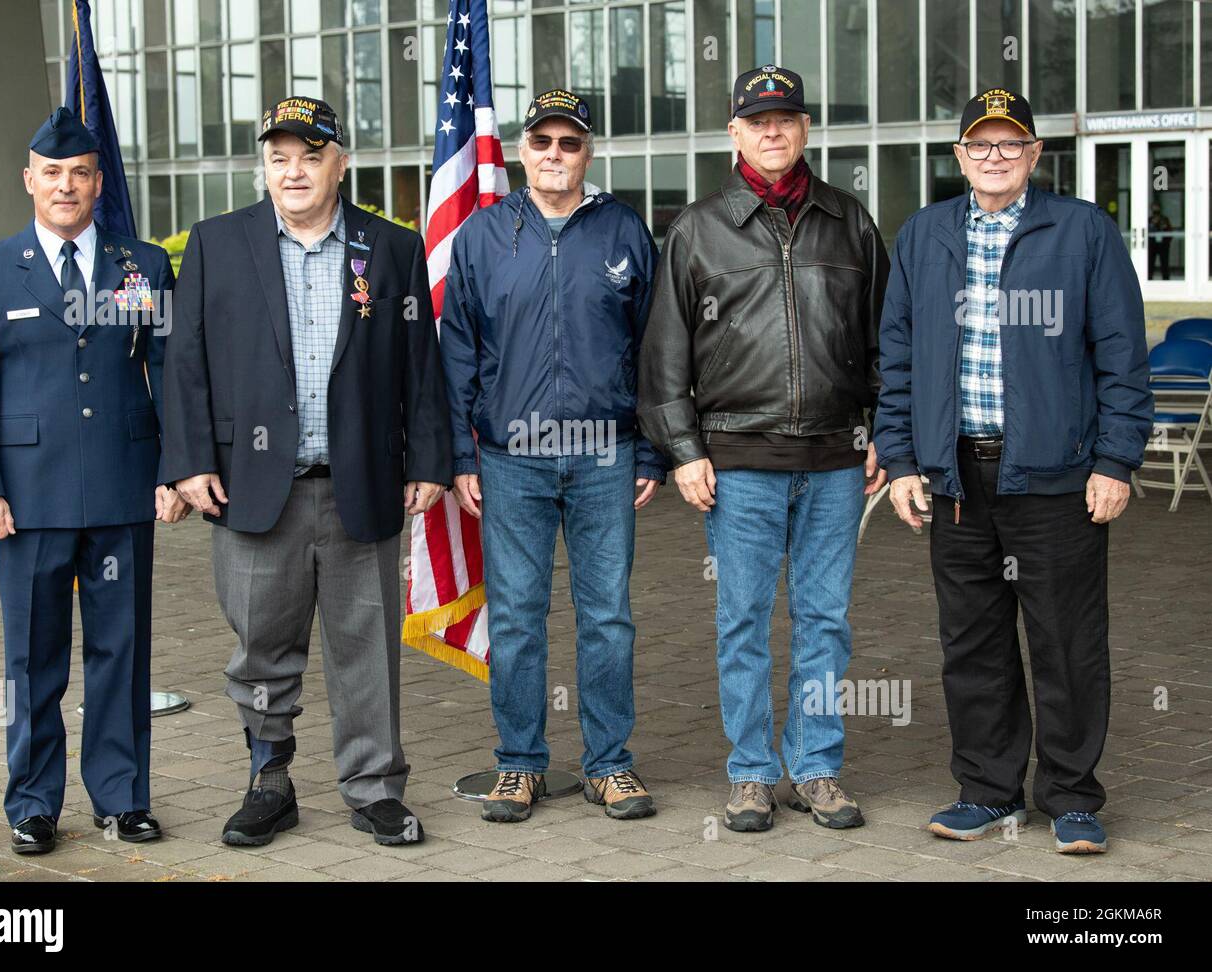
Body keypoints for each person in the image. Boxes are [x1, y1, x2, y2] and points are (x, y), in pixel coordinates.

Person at [161, 97, 452, 847]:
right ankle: (270, 779)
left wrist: (429, 460)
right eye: (279, 157)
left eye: (310, 155)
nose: (293, 171)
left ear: (340, 163)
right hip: (256, 489)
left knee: (368, 648)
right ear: (265, 165)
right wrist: (188, 463)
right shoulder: (218, 244)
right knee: (262, 648)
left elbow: (421, 368)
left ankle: (375, 787)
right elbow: (185, 363)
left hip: (363, 482)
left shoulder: (390, 249)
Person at [873, 88, 1154, 854]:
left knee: (1066, 641)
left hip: (1057, 479)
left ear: (1034, 154)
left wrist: (1116, 459)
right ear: (960, 155)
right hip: (959, 480)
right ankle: (989, 792)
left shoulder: (1082, 231)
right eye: (980, 145)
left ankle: (1071, 796)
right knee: (973, 644)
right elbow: (895, 359)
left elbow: (1123, 358)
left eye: (1010, 144)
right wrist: (900, 458)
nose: (994, 157)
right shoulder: (924, 234)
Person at [639, 67, 889, 834]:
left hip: (837, 462)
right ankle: (751, 774)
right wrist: (684, 450)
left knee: (826, 620)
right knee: (741, 618)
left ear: (804, 129)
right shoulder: (696, 229)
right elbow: (664, 357)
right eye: (758, 120)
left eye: (786, 118)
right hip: (737, 461)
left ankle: (815, 768)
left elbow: (888, 342)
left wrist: (884, 431)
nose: (773, 131)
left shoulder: (849, 222)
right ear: (735, 133)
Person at [0, 107, 184, 855]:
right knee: (32, 656)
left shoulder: (142, 265)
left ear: (97, 181)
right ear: (29, 181)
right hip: (27, 496)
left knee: (123, 651)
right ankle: (34, 803)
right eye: (52, 173)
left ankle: (122, 797)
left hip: (122, 484)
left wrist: (175, 471)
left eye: (80, 173)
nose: (66, 186)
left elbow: (172, 374)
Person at [439, 89, 665, 824]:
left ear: (588, 153)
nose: (555, 156)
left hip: (606, 456)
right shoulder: (481, 236)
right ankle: (519, 764)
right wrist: (460, 455)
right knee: (516, 617)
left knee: (607, 617)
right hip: (512, 458)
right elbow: (459, 353)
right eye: (543, 143)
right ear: (520, 151)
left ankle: (609, 764)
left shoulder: (623, 230)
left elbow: (656, 349)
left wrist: (653, 453)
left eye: (570, 144)